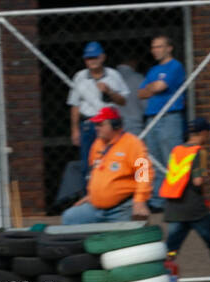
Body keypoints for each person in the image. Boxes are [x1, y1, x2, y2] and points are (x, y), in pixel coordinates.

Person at [62, 107, 151, 225]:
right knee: (69, 218)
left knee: (125, 237)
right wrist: (91, 195)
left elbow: (144, 173)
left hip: (121, 209)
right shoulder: (97, 144)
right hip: (95, 208)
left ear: (115, 125)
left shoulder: (133, 144)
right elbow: (94, 173)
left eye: (100, 124)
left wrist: (140, 201)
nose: (96, 128)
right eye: (96, 124)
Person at [160, 117, 210, 282]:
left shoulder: (176, 150)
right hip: (194, 209)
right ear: (202, 133)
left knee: (171, 249)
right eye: (207, 132)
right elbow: (198, 181)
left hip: (174, 207)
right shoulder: (199, 152)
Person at [137, 35, 187, 212]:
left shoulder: (175, 66)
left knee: (172, 161)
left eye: (159, 47)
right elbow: (140, 93)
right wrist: (152, 87)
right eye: (153, 47)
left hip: (169, 117)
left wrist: (151, 88)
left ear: (169, 48)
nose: (155, 50)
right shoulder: (153, 70)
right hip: (151, 119)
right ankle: (159, 201)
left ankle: (178, 200)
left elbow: (159, 87)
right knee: (154, 161)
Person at [67, 42, 129, 167]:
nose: (92, 61)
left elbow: (123, 101)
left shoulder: (113, 75)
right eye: (89, 58)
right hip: (87, 124)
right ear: (85, 60)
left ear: (103, 57)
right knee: (88, 164)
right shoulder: (80, 77)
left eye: (95, 57)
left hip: (109, 125)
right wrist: (74, 130)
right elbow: (75, 105)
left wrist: (109, 92)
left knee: (111, 162)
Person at [114, 55, 147, 135]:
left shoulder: (110, 78)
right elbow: (146, 105)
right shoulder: (139, 78)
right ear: (133, 62)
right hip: (134, 125)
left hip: (113, 124)